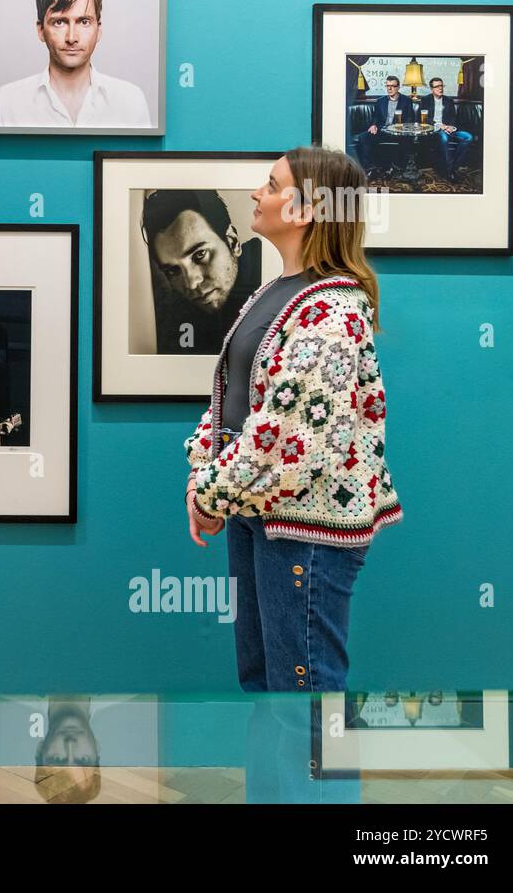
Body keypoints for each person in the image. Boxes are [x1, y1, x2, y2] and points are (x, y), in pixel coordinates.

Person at [182, 146, 404, 695]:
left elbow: (291, 441)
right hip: (256, 510)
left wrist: (210, 493)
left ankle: (312, 788)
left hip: (306, 527)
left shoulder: (331, 309)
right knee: (266, 686)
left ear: (305, 209)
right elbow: (232, 403)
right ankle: (275, 788)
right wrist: (205, 480)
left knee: (305, 698)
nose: (257, 194)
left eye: (271, 183)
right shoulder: (277, 291)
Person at [0, 0, 151, 129]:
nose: (71, 38)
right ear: (40, 30)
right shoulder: (6, 103)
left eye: (84, 22)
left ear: (98, 30)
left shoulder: (131, 101)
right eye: (59, 22)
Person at [142, 190, 263, 354]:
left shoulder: (275, 275)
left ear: (233, 242)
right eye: (173, 271)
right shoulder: (175, 317)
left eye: (199, 255)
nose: (191, 283)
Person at [353, 75, 412, 174]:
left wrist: (401, 127)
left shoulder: (406, 101)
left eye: (392, 86)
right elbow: (376, 117)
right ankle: (370, 169)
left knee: (406, 140)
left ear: (398, 87)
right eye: (388, 85)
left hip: (398, 132)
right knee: (363, 137)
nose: (389, 88)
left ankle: (396, 168)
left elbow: (410, 118)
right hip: (382, 130)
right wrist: (373, 125)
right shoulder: (380, 101)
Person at [423, 76, 475, 182]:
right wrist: (438, 125)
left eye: (441, 86)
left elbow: (453, 117)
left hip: (449, 129)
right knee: (444, 137)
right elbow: (423, 118)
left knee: (468, 137)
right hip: (434, 130)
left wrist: (451, 126)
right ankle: (450, 171)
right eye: (437, 86)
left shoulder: (449, 101)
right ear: (431, 89)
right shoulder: (425, 100)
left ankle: (452, 167)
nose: (440, 88)